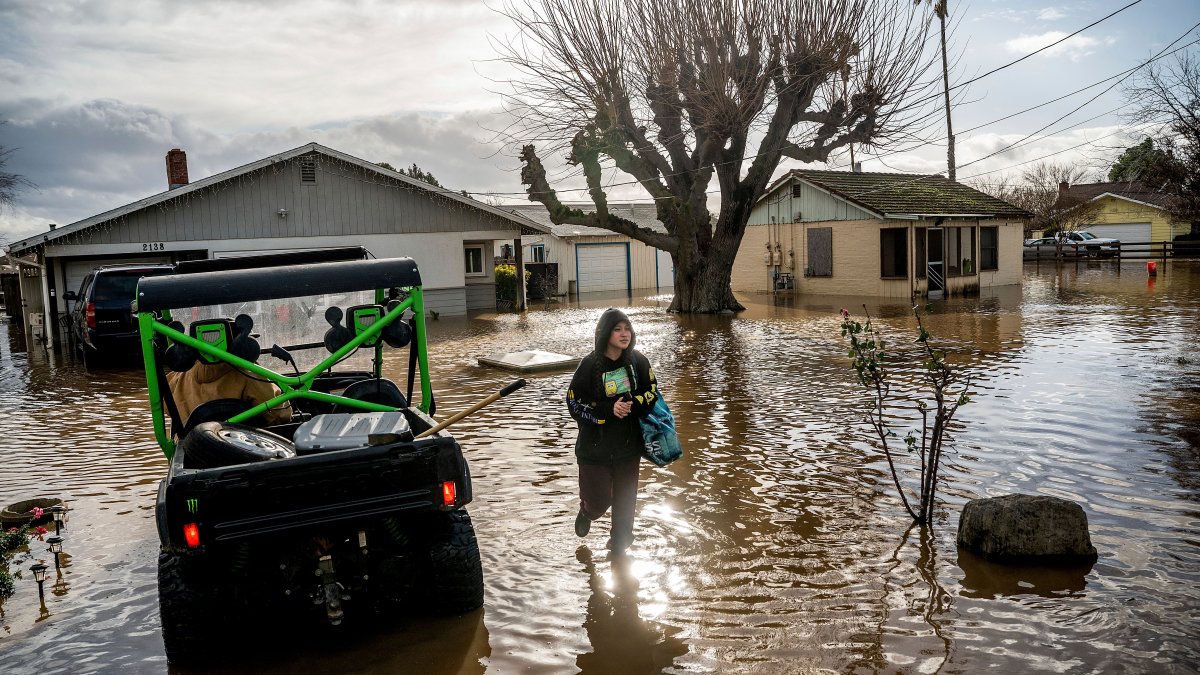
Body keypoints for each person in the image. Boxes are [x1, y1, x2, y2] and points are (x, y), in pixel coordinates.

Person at [566, 308, 657, 553]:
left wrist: (633, 403)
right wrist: (608, 410)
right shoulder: (588, 365)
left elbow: (653, 393)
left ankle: (619, 554)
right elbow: (573, 402)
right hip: (595, 450)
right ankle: (587, 511)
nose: (624, 334)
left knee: (625, 507)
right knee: (599, 502)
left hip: (629, 448)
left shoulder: (639, 361)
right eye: (617, 329)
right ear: (605, 332)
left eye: (627, 328)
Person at [167, 362, 292, 430]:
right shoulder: (248, 374)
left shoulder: (176, 377)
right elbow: (279, 416)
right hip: (244, 451)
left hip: (190, 454)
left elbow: (166, 410)